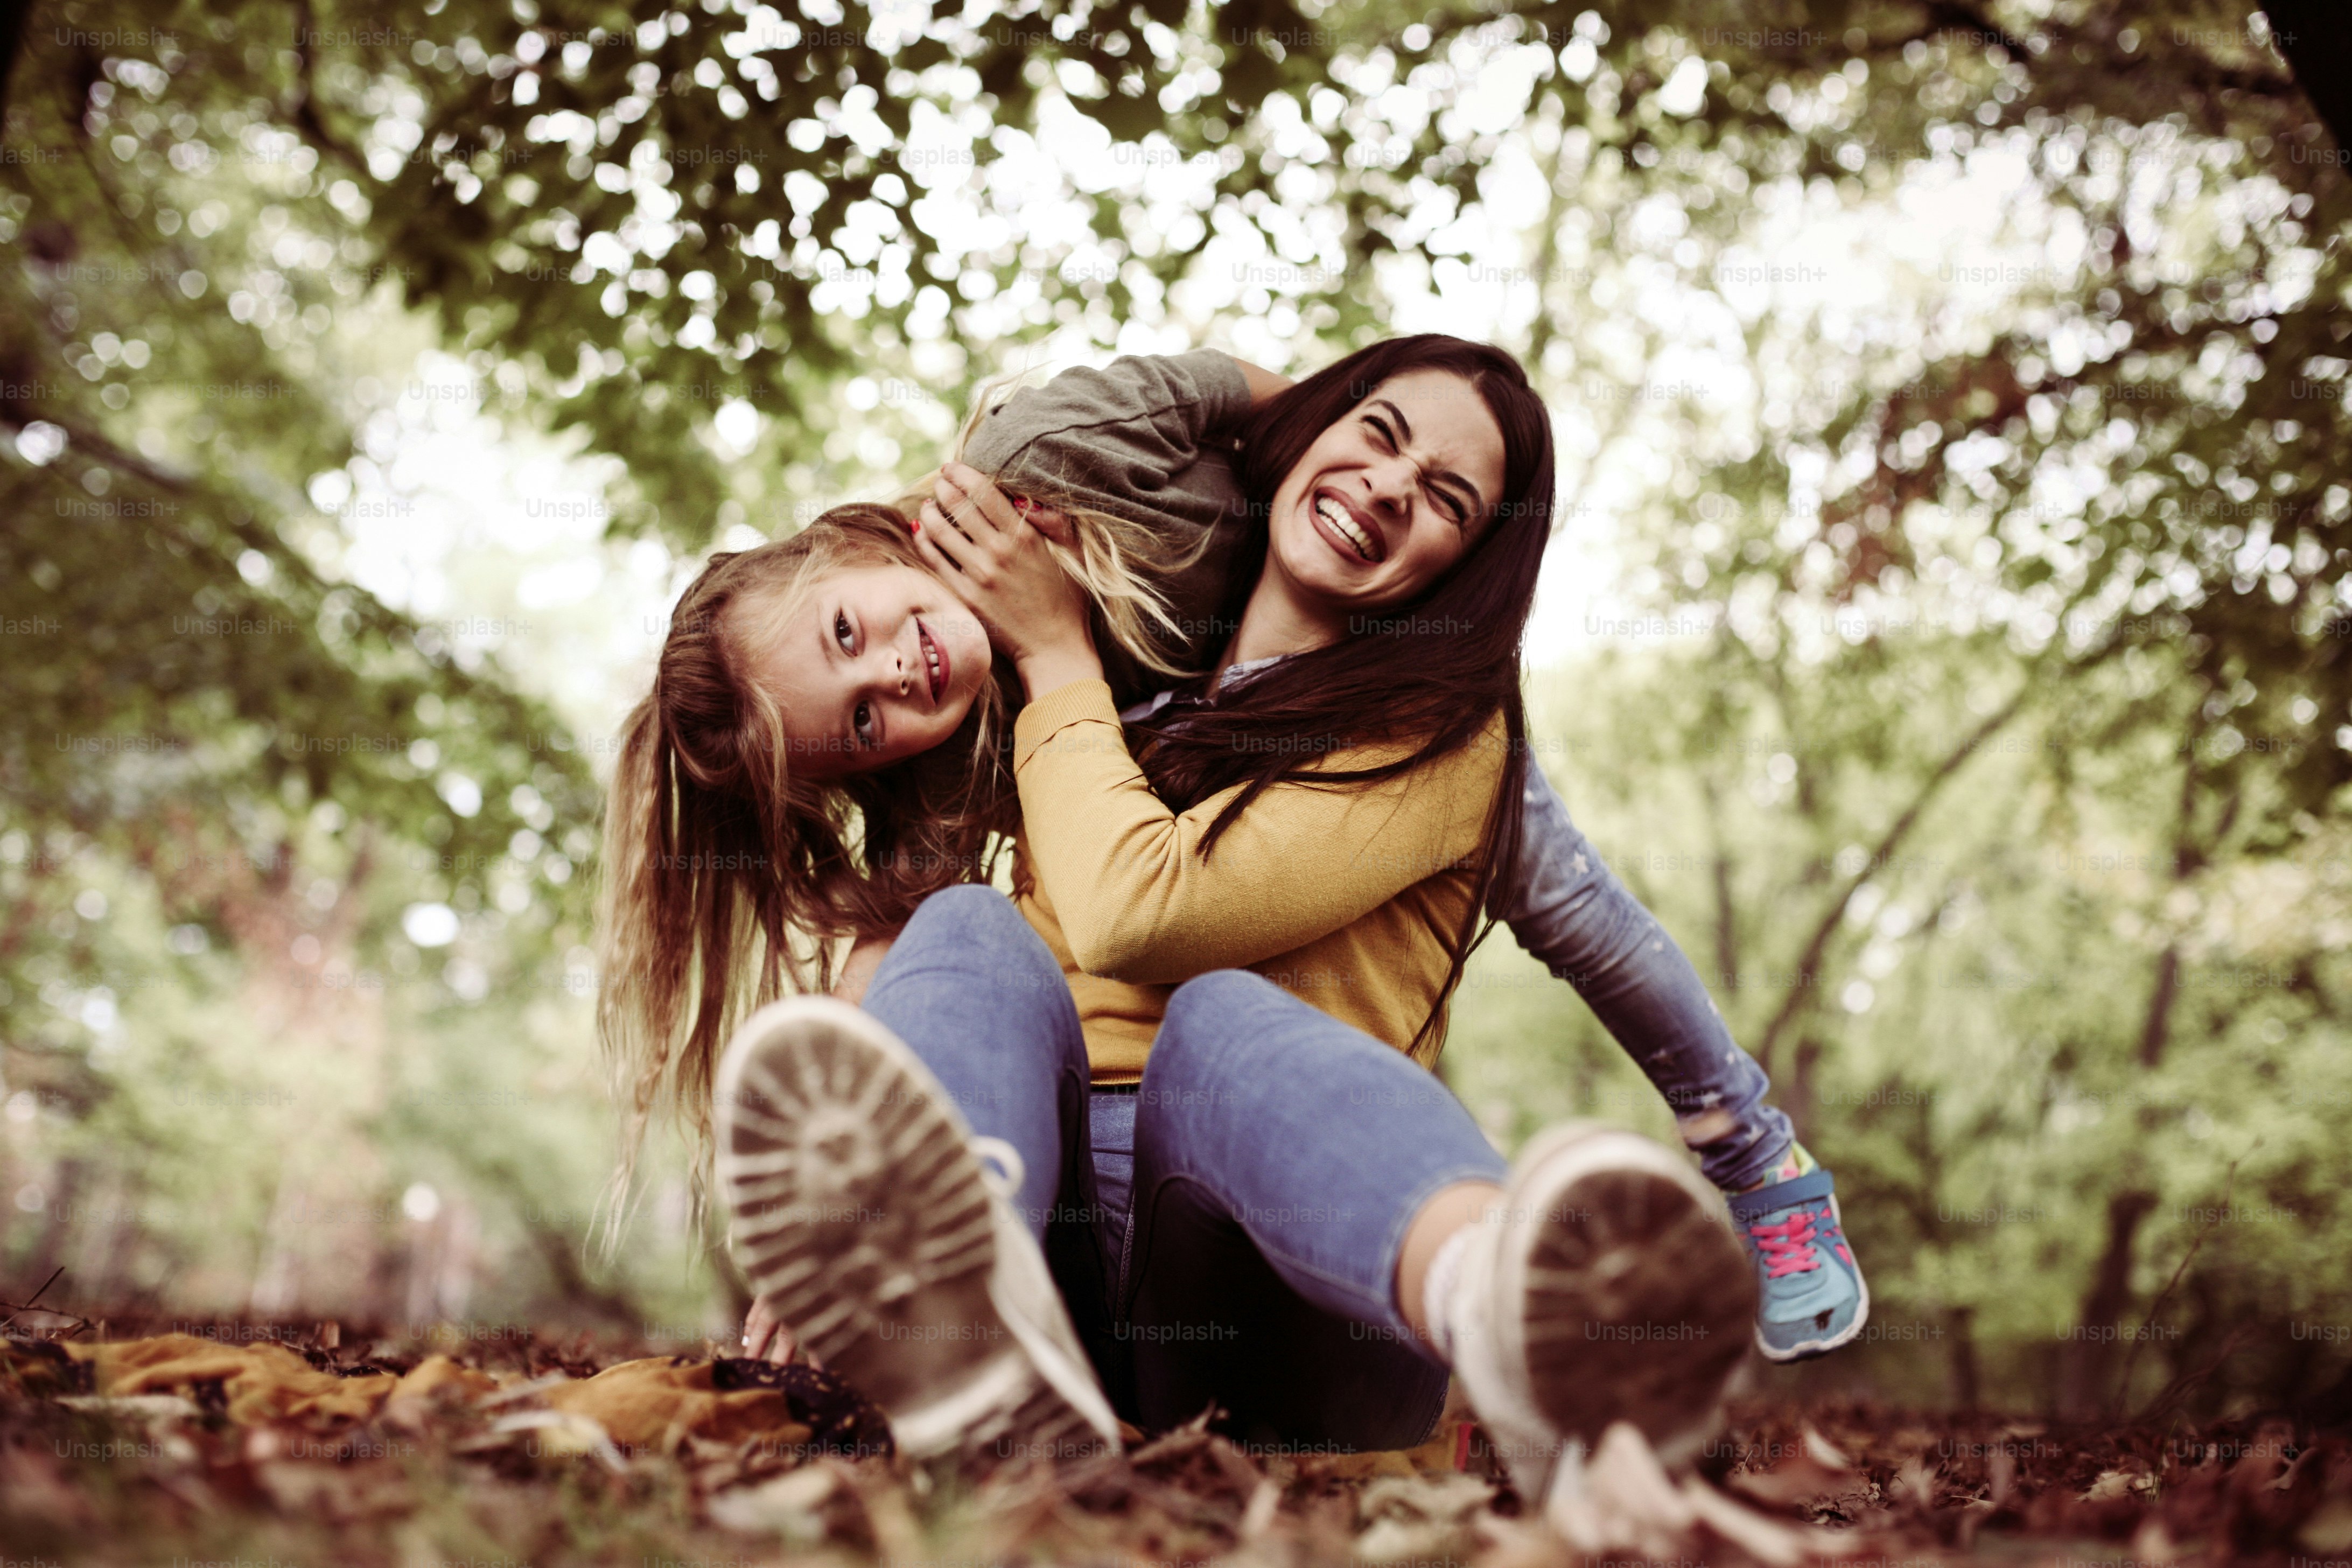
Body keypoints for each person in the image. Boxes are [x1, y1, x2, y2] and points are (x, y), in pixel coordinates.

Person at [595, 339, 1865, 1375]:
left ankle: (1552, 1273)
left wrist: (1314, 421)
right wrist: (836, 1215)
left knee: (1263, 1004)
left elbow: (1145, 910)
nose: (897, 672)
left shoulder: (1052, 484)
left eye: (1444, 493)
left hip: (1270, 1255)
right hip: (1084, 1270)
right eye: (860, 718)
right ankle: (939, 1284)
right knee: (965, 934)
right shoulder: (985, 725)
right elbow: (904, 958)